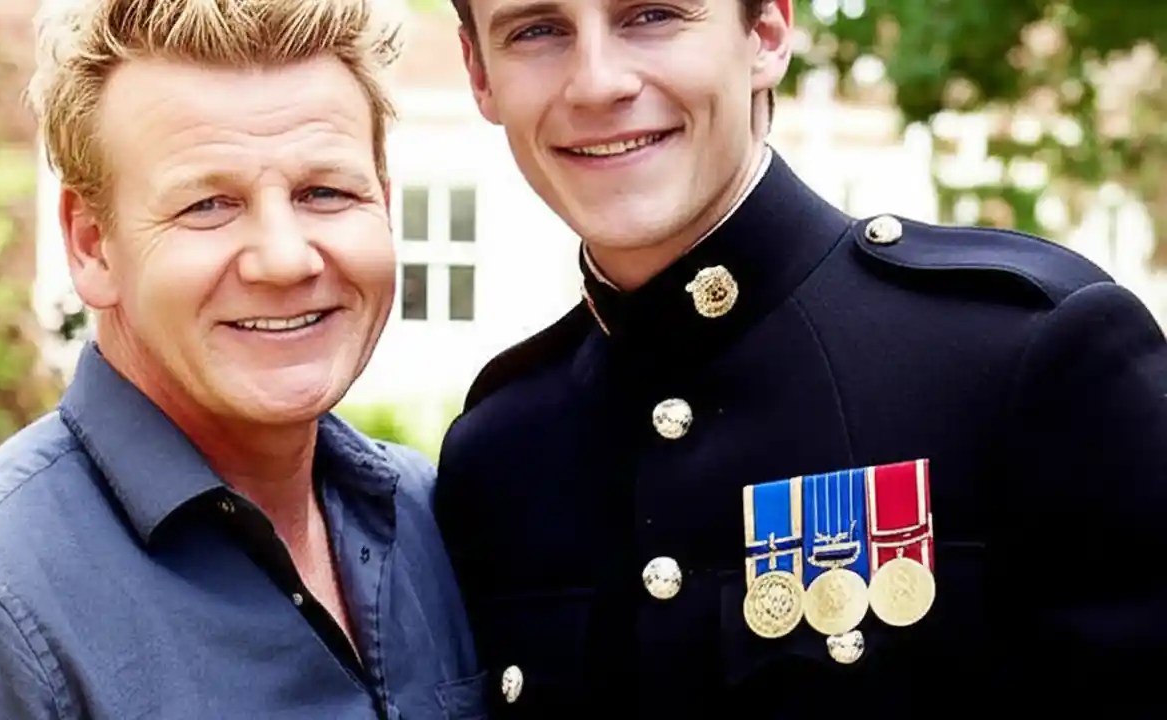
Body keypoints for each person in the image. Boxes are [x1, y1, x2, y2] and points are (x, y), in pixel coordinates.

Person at [433, 0, 1167, 715]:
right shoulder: (500, 452)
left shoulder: (1025, 353)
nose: (597, 82)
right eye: (536, 29)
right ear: (480, 74)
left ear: (768, 31)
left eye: (652, 15)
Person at [0, 0, 486, 717]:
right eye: (208, 205)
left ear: (383, 206)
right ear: (90, 245)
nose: (285, 258)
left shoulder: (427, 516)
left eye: (324, 192)